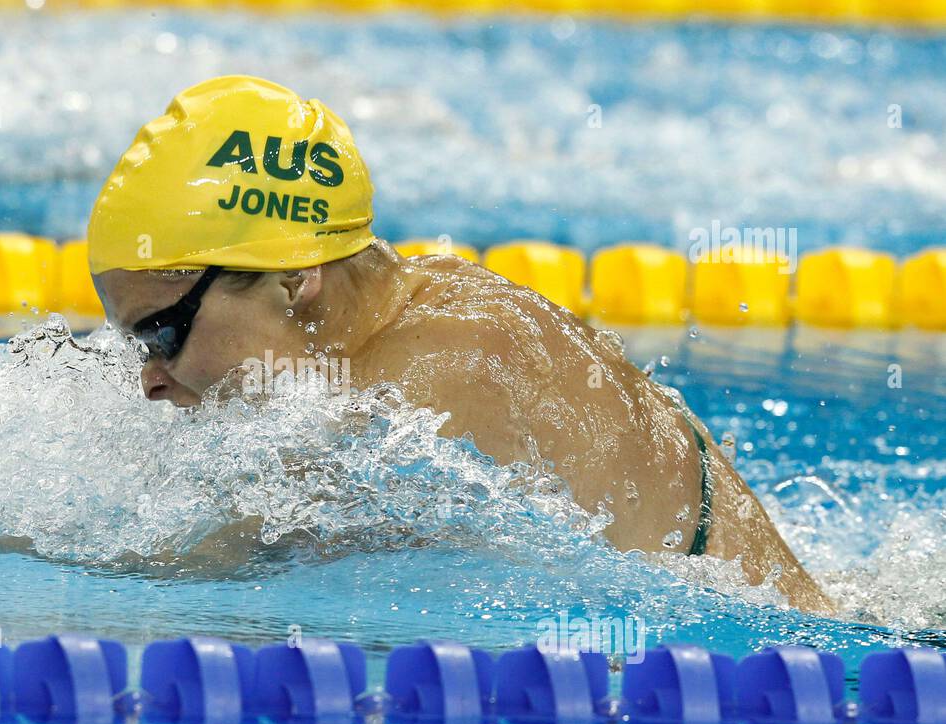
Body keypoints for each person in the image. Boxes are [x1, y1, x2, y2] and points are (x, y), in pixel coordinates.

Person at [87, 74, 833, 613]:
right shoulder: (415, 307)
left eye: (160, 333)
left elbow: (193, 575)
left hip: (776, 689)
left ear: (292, 281)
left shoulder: (437, 372)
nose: (150, 380)